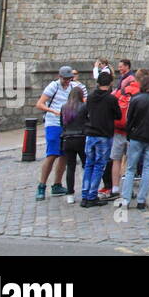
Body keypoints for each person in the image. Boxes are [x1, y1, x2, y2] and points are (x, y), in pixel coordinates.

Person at [34, 66, 85, 200]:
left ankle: (57, 184)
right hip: (53, 123)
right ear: (60, 77)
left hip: (66, 125)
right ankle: (42, 186)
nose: (68, 81)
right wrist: (54, 111)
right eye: (66, 79)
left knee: (64, 155)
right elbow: (40, 104)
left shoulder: (72, 87)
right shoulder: (53, 86)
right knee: (52, 154)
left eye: (70, 79)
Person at [120, 74, 149, 211]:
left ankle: (126, 199)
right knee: (147, 169)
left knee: (130, 169)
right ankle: (141, 200)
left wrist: (129, 134)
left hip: (136, 136)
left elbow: (130, 120)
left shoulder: (135, 100)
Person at [80, 70, 121, 208]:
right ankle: (92, 196)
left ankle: (85, 195)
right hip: (104, 135)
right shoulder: (111, 99)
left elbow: (85, 112)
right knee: (99, 166)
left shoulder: (91, 97)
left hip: (90, 134)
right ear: (110, 84)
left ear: (98, 83)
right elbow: (118, 115)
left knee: (88, 165)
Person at [107, 66, 140, 201]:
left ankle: (115, 187)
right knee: (130, 162)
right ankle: (128, 189)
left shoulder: (119, 92)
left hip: (118, 131)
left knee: (116, 159)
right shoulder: (138, 92)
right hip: (132, 132)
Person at [59, 85, 87, 204]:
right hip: (81, 138)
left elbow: (62, 123)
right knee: (86, 166)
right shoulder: (84, 106)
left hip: (68, 139)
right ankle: (86, 191)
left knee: (70, 167)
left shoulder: (64, 107)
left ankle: (70, 194)